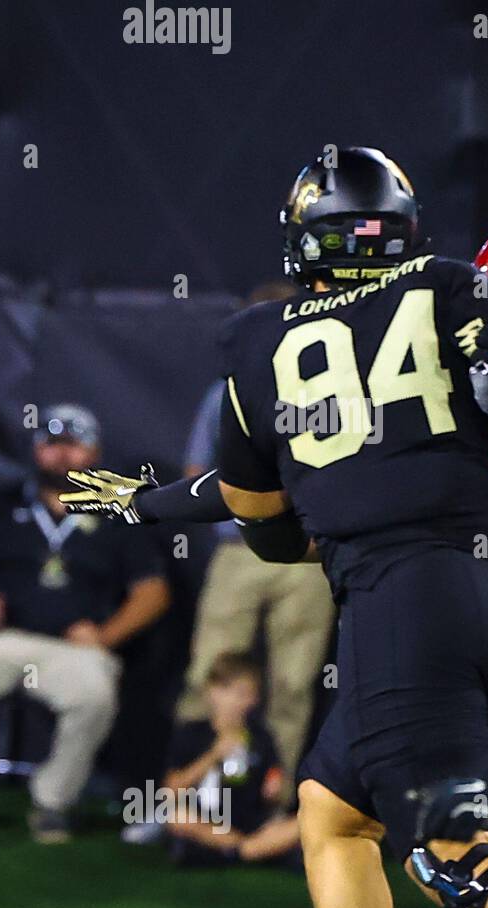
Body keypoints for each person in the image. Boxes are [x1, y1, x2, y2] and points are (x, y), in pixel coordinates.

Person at [68, 147, 488, 908]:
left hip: (403, 604)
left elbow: (263, 514)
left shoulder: (257, 338)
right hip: (484, 594)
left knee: (452, 860)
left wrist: (159, 503)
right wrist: (162, 503)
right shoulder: (455, 288)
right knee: (334, 807)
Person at [0, 405, 170, 843]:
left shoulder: (118, 512)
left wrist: (106, 636)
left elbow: (153, 591)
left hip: (71, 651)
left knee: (94, 698)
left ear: (94, 450)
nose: (62, 456)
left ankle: (53, 800)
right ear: (36, 449)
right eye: (52, 445)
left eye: (73, 446)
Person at [176, 283, 335, 794]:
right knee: (211, 670)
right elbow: (198, 470)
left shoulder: (328, 391)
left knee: (295, 679)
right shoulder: (224, 391)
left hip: (307, 554)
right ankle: (189, 793)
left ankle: (276, 800)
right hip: (237, 547)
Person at [154, 651, 299, 866]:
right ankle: (249, 850)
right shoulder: (192, 733)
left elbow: (274, 780)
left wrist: (274, 788)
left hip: (249, 821)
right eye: (236, 693)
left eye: (249, 695)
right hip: (204, 820)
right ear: (213, 691)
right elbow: (170, 790)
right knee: (177, 817)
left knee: (301, 822)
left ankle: (237, 851)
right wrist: (213, 755)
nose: (241, 702)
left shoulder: (261, 736)